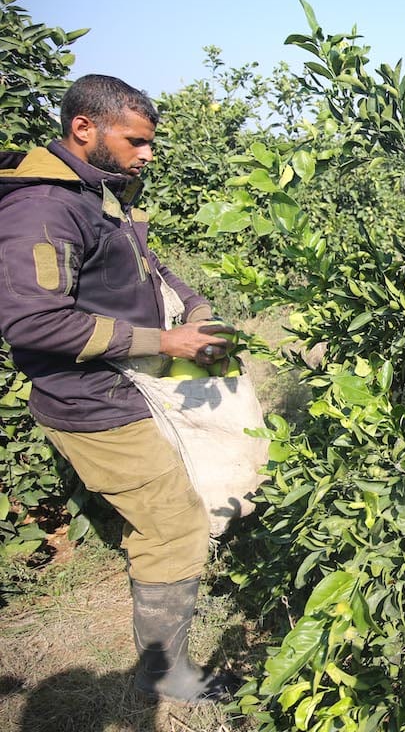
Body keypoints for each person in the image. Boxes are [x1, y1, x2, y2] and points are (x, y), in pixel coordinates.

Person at [0, 74, 236, 703]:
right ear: (84, 128)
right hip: (93, 400)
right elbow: (32, 321)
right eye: (136, 141)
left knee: (179, 496)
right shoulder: (44, 207)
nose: (148, 154)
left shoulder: (98, 190)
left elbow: (146, 265)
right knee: (174, 528)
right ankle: (165, 675)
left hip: (129, 384)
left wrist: (194, 307)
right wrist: (165, 342)